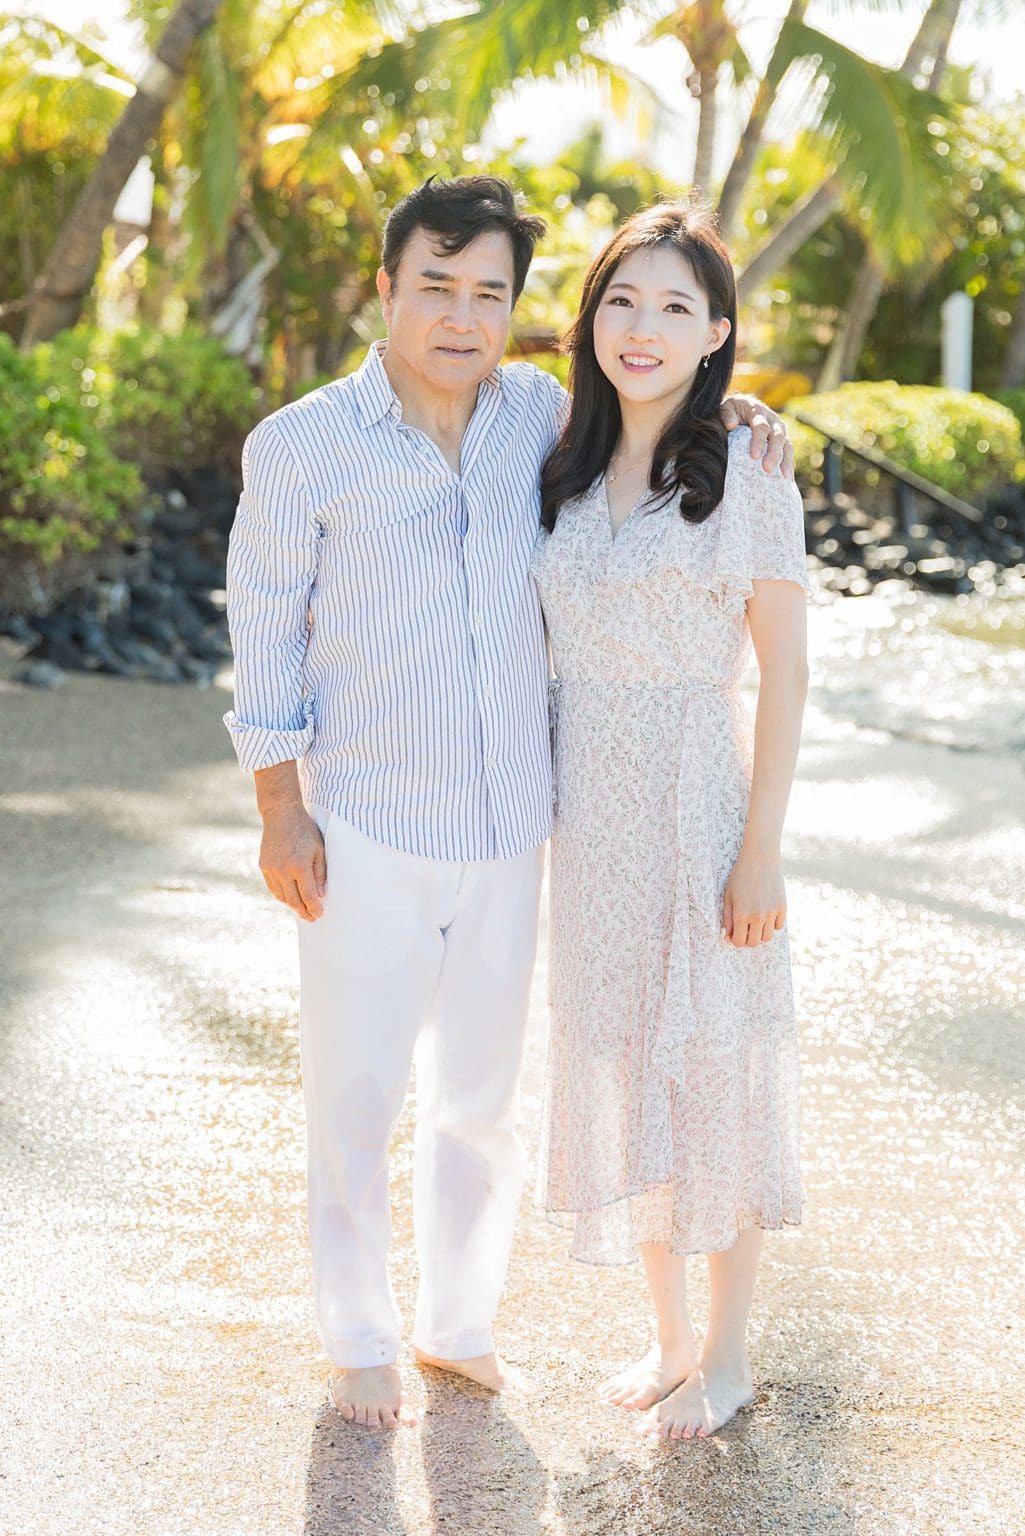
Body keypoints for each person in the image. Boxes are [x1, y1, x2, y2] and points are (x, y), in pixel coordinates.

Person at [223, 175, 795, 1431]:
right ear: (386, 288)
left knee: (480, 1104)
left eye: (489, 291)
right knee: (357, 1096)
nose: (461, 312)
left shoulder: (536, 418)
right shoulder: (301, 443)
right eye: (435, 283)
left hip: (518, 827)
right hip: (362, 820)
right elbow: (261, 632)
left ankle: (457, 1328)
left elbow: (660, 422)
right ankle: (360, 1336)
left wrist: (738, 407)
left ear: (515, 308)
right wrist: (280, 806)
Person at [532, 197, 809, 1441]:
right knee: (622, 1061)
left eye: (673, 308)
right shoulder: (557, 460)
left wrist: (760, 850)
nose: (640, 328)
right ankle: (663, 1338)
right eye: (620, 300)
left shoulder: (746, 469)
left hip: (697, 799)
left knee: (715, 1072)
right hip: (585, 812)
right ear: (590, 318)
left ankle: (730, 1351)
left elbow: (787, 674)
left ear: (717, 335)